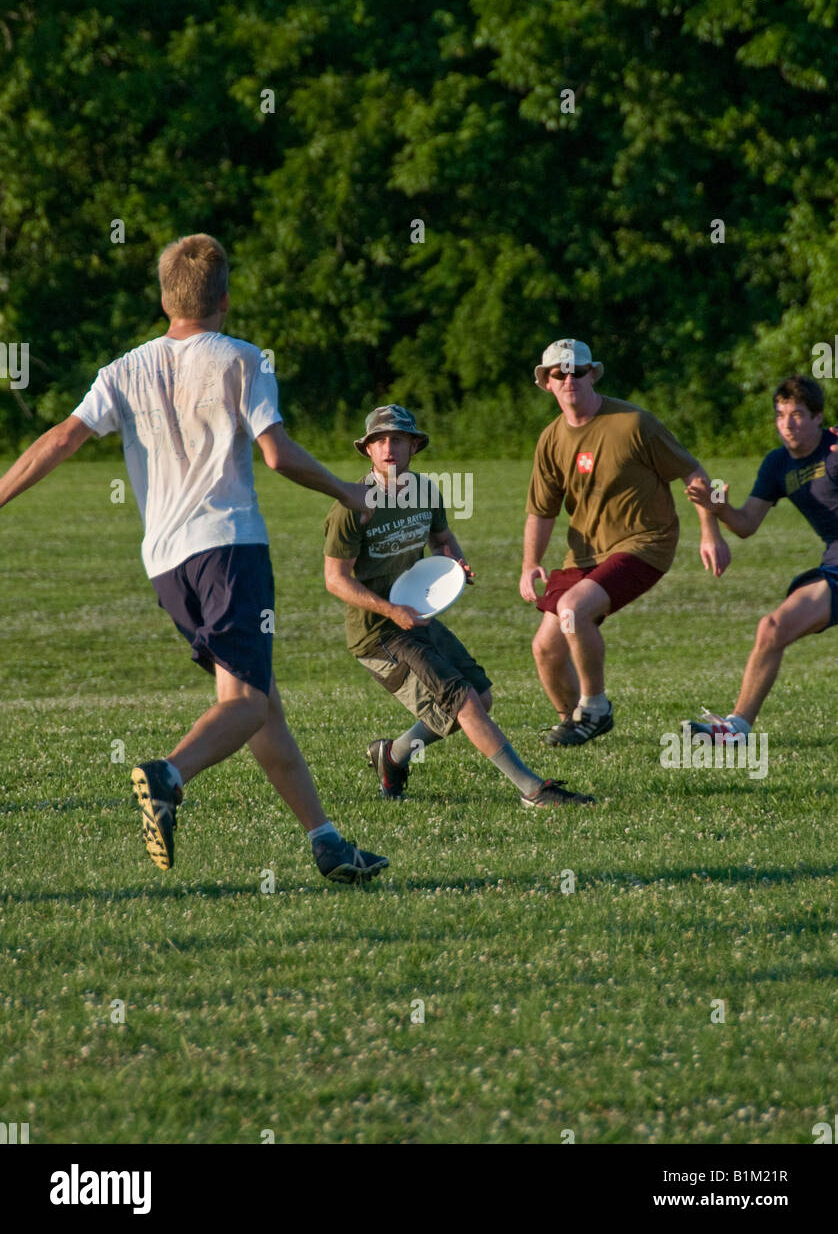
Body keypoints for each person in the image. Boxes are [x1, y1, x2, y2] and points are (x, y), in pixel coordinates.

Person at [0, 233, 388, 883]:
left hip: (166, 565)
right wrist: (349, 489)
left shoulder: (122, 369)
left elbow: (64, 437)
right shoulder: (241, 359)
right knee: (246, 702)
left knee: (258, 702)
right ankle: (166, 776)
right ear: (226, 299)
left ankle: (326, 841)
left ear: (163, 300)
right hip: (229, 547)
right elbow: (278, 453)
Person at [323, 404, 594, 808]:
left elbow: (442, 539)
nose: (387, 448)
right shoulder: (351, 506)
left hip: (415, 617)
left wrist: (454, 561)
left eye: (397, 438)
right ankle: (533, 789)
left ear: (414, 445)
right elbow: (335, 580)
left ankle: (393, 756)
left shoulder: (425, 492)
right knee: (463, 699)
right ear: (368, 451)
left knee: (481, 698)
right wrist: (391, 611)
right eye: (378, 440)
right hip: (378, 633)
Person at [520, 338, 730, 747]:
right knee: (545, 649)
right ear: (546, 382)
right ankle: (575, 722)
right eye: (559, 373)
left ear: (592, 374)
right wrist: (530, 563)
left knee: (574, 610)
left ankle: (595, 707)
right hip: (584, 554)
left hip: (645, 542)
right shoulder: (550, 439)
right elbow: (542, 510)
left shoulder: (634, 423)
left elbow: (696, 473)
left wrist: (711, 531)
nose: (569, 379)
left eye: (578, 370)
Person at [685, 374, 838, 741]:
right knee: (772, 628)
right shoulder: (776, 465)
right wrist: (715, 505)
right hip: (835, 565)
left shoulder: (835, 446)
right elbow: (746, 523)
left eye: (798, 414)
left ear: (818, 417)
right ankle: (736, 729)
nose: (788, 424)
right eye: (780, 414)